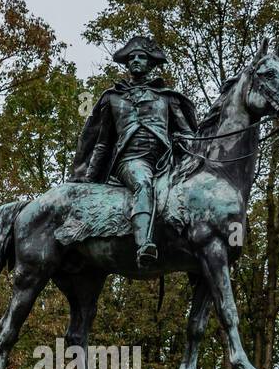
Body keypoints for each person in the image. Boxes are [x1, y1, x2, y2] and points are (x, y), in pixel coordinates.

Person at [69, 36, 198, 269]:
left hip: (166, 162)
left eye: (142, 57)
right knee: (143, 183)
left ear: (150, 64)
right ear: (127, 64)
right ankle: (143, 245)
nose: (137, 61)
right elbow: (101, 143)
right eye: (132, 58)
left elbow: (187, 133)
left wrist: (192, 151)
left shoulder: (168, 97)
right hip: (131, 161)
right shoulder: (112, 98)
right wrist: (88, 179)